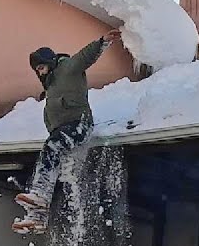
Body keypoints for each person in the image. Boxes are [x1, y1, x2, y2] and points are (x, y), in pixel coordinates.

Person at [12, 29, 121, 235]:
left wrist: (102, 42)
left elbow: (85, 57)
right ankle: (36, 218)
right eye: (37, 71)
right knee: (47, 160)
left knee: (52, 147)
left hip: (79, 124)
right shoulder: (50, 87)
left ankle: (40, 196)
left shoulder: (67, 68)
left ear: (50, 62)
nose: (40, 73)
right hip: (62, 132)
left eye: (41, 67)